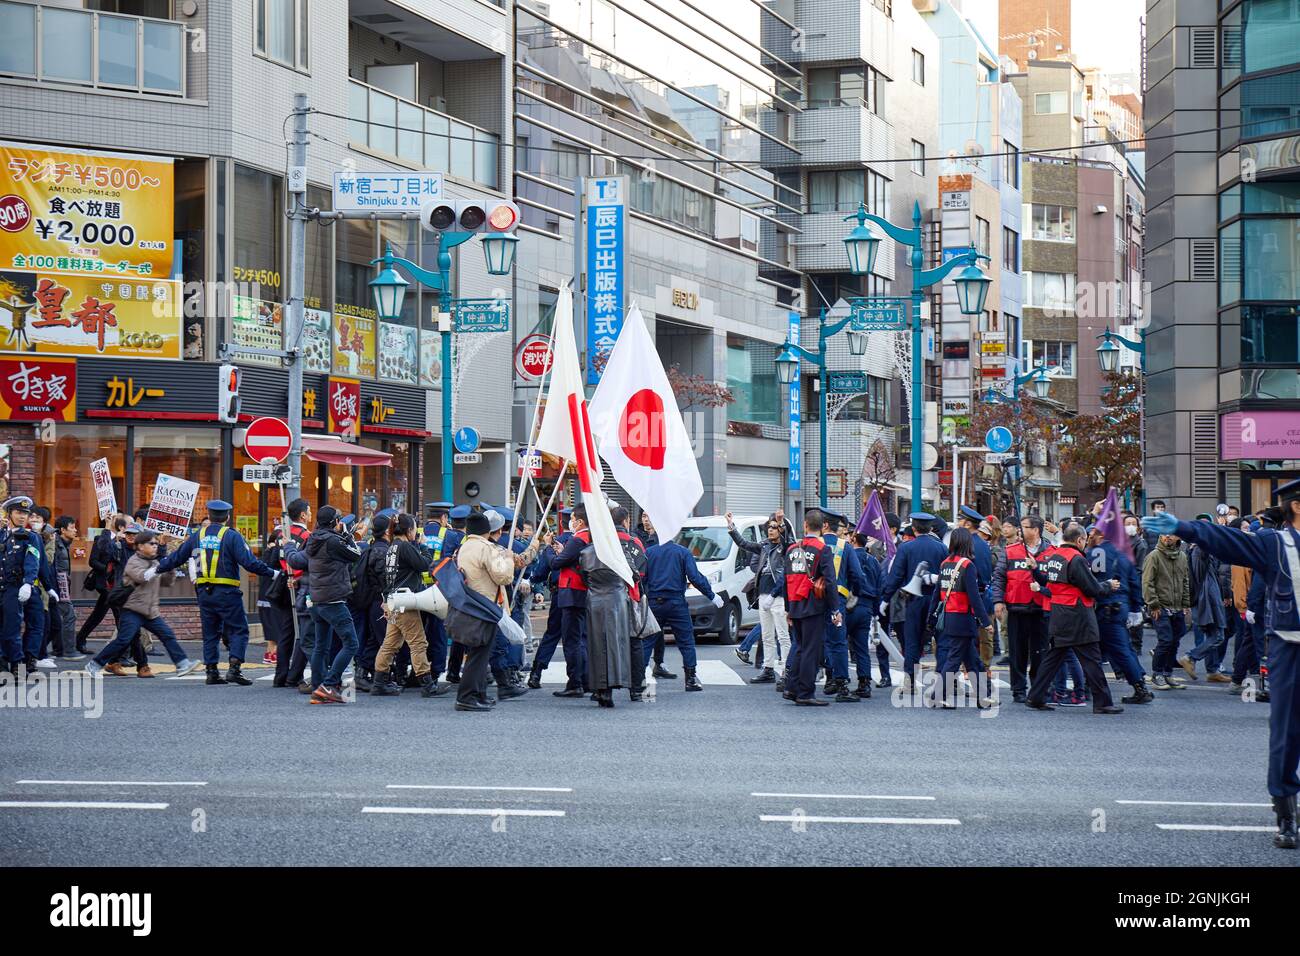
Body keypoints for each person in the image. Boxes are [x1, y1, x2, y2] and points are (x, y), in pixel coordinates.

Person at [1143, 484, 1300, 850]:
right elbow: (1225, 539)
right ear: (1295, 506)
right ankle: (1286, 812)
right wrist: (1182, 527)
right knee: (1287, 733)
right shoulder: (1274, 544)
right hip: (1289, 647)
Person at [156, 500, 276, 686]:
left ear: (210, 516)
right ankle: (234, 669)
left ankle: (211, 672)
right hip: (227, 592)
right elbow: (249, 563)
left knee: (210, 632)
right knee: (238, 629)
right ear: (227, 517)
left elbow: (176, 558)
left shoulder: (197, 536)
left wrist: (156, 568)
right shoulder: (231, 536)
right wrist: (273, 573)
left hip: (204, 592)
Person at [1025, 525, 1124, 714]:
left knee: (1052, 659)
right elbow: (1091, 588)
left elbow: (1049, 583)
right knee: (1092, 660)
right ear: (1079, 540)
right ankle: (1102, 702)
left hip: (1058, 613)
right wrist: (1108, 585)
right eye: (1084, 540)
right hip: (1078, 615)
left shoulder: (1055, 556)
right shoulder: (1076, 559)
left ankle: (1035, 696)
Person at [86, 531, 200, 679]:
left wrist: (170, 567)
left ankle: (182, 664)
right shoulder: (134, 562)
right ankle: (94, 664)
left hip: (150, 611)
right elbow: (142, 576)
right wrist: (161, 567)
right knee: (123, 640)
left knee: (168, 635)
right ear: (140, 546)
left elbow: (167, 582)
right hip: (132, 609)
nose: (155, 546)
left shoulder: (154, 562)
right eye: (151, 544)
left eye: (156, 544)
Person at [286, 506, 363, 705]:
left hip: (317, 599)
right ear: (335, 522)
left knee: (321, 646)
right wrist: (347, 535)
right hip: (333, 599)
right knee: (351, 643)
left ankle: (319, 688)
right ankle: (328, 685)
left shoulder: (313, 539)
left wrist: (288, 547)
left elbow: (296, 560)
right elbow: (356, 554)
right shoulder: (333, 541)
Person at [449, 510, 522, 712]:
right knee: (479, 654)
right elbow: (503, 577)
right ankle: (467, 696)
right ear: (486, 530)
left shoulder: (465, 547)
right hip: (486, 606)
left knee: (478, 651)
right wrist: (508, 559)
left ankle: (480, 693)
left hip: (470, 604)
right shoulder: (486, 548)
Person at [372, 513, 447, 699]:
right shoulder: (405, 546)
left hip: (393, 601)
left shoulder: (392, 547)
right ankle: (427, 684)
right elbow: (424, 564)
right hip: (406, 602)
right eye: (413, 528)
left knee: (390, 643)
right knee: (418, 642)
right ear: (408, 530)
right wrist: (422, 546)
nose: (415, 532)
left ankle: (379, 682)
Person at [642, 519, 722, 692]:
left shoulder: (648, 553)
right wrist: (711, 595)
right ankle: (690, 679)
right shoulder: (683, 552)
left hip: (655, 601)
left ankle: (638, 680)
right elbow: (695, 577)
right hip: (676, 602)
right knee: (686, 641)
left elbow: (642, 579)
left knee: (648, 640)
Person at [583, 505, 645, 707]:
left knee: (596, 644)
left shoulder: (585, 553)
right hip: (616, 600)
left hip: (594, 601)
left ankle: (599, 689)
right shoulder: (618, 552)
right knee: (617, 645)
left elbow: (584, 576)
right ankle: (618, 685)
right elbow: (634, 574)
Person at [926, 527, 994, 709]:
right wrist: (986, 622)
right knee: (955, 658)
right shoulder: (967, 565)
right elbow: (974, 597)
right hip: (963, 618)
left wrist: (931, 618)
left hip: (948, 616)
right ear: (967, 543)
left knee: (972, 660)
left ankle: (983, 696)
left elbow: (937, 594)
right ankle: (937, 696)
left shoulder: (945, 564)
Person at [879, 512, 948, 692]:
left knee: (911, 641)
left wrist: (885, 599)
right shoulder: (941, 548)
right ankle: (942, 681)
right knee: (939, 640)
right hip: (936, 600)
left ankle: (910, 682)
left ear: (914, 528)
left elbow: (895, 576)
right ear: (931, 528)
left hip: (913, 599)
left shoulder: (906, 548)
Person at [1084, 525, 1152, 704]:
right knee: (1120, 648)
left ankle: (1139, 687)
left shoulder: (1091, 553)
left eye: (1092, 532)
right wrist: (1136, 608)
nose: (1089, 534)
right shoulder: (1123, 553)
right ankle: (1089, 685)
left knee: (1114, 650)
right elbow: (1134, 581)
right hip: (1120, 605)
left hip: (1102, 606)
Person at [990, 515, 1052, 703]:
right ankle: (1018, 689)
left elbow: (1054, 580)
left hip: (1040, 609)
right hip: (1016, 607)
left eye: (1025, 527)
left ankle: (1038, 687)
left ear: (1036, 530)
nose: (1020, 530)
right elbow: (999, 577)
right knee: (1017, 652)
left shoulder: (1050, 551)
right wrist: (998, 601)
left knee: (1040, 652)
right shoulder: (1010, 551)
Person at [783, 509, 839, 707]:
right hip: (813, 605)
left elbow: (785, 580)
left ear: (805, 525)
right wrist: (835, 609)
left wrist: (787, 608)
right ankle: (805, 692)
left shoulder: (792, 549)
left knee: (799, 646)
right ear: (823, 527)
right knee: (811, 650)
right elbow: (830, 582)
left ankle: (791, 687)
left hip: (795, 604)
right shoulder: (822, 549)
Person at [726, 511, 787, 685]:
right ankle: (768, 669)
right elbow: (743, 543)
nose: (770, 530)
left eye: (774, 527)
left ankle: (786, 670)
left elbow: (787, 539)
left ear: (781, 530)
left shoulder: (786, 547)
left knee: (782, 636)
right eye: (769, 527)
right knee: (767, 635)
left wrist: (781, 522)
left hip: (779, 596)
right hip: (763, 595)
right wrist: (731, 526)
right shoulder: (764, 546)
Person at [1180, 517, 1230, 683]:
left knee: (1212, 634)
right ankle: (1191, 657)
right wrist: (1219, 529)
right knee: (1218, 636)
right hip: (1208, 599)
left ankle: (1212, 670)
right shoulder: (1199, 551)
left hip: (1207, 598)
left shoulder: (1195, 549)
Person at [1142, 529, 1191, 691]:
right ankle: (1157, 674)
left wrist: (1185, 603)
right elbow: (1147, 583)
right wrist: (1153, 604)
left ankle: (1168, 673)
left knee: (1175, 640)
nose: (1167, 536)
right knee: (1165, 640)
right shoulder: (1154, 556)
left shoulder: (1182, 556)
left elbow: (1185, 581)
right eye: (1164, 534)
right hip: (1160, 606)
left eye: (1171, 533)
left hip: (1177, 606)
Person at [0, 497, 41, 678]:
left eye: (25, 513)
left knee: (12, 628)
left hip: (14, 587)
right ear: (9, 514)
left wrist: (28, 582)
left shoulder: (31, 537)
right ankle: (1, 666)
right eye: (18, 512)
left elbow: (33, 560)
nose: (23, 516)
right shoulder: (2, 534)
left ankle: (17, 665)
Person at [280, 498, 315, 691]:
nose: (310, 515)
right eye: (309, 511)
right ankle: (294, 675)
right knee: (304, 633)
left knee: (287, 633)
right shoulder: (307, 535)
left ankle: (283, 675)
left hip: (281, 584)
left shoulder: (282, 532)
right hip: (300, 585)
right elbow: (304, 561)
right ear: (303, 515)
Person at [48, 516, 82, 662]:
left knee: (55, 618)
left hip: (61, 582)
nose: (75, 530)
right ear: (62, 530)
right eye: (72, 527)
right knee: (69, 615)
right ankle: (69, 651)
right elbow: (52, 566)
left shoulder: (64, 543)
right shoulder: (55, 543)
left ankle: (58, 649)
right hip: (58, 583)